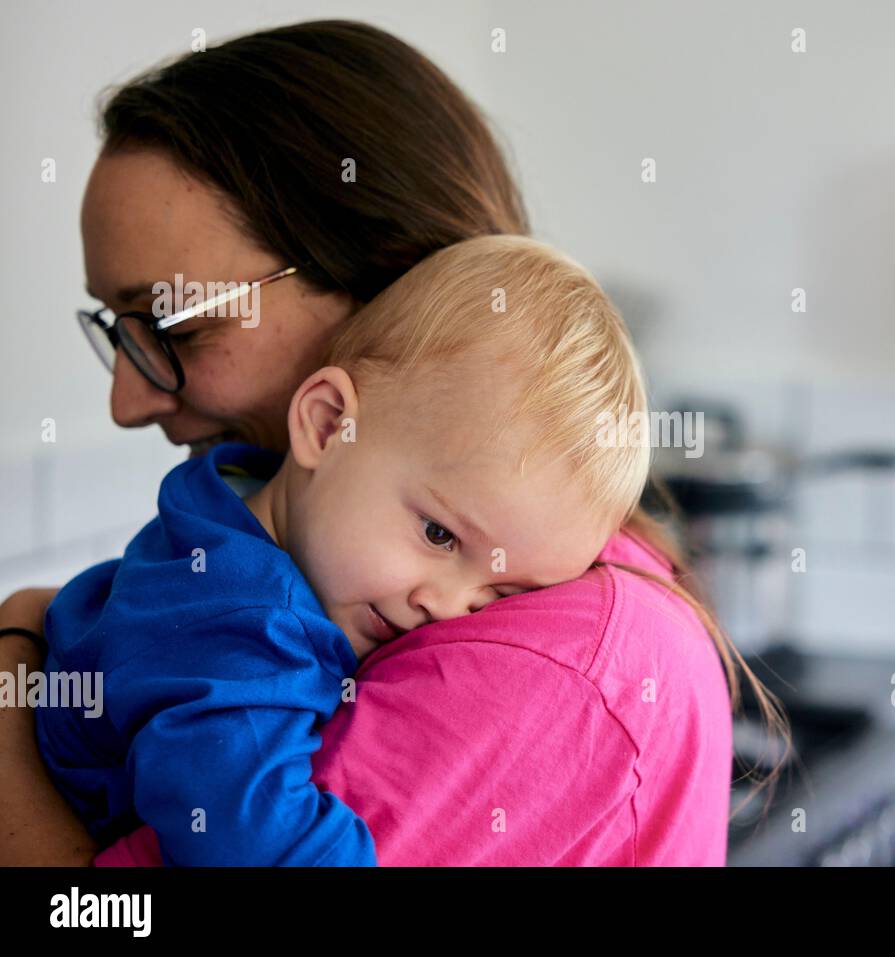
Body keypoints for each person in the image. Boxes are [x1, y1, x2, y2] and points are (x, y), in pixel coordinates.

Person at [0, 20, 788, 867]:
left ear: (384, 279)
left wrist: (11, 675)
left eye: (174, 324)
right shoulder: (278, 565)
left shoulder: (539, 661)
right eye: (116, 327)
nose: (127, 400)